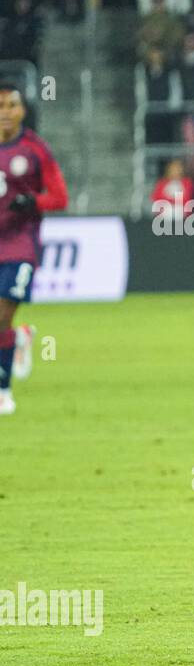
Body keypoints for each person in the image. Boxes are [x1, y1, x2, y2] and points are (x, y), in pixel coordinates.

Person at [0, 83, 69, 416]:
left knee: (0, 314)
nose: (5, 112)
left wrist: (33, 202)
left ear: (22, 110)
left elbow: (60, 197)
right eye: (0, 105)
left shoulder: (35, 150)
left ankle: (3, 391)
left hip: (19, 242)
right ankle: (20, 337)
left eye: (11, 105)